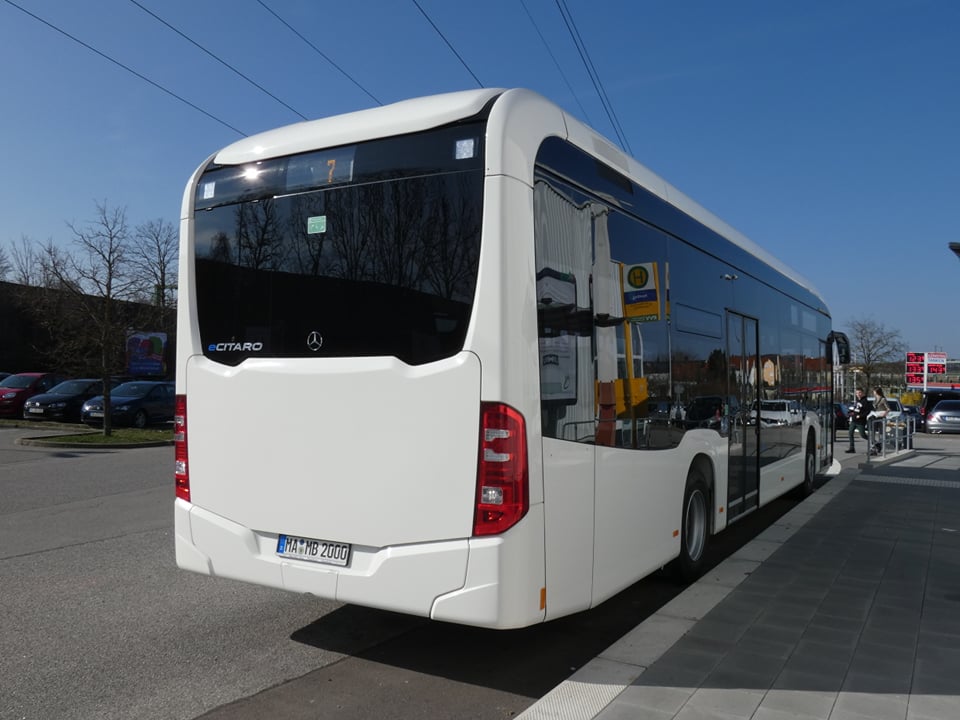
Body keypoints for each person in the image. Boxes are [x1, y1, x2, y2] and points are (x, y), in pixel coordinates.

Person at [845, 387, 873, 453]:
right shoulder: (857, 401)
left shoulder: (865, 401)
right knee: (850, 433)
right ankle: (852, 448)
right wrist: (851, 413)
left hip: (860, 421)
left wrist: (860, 416)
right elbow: (856, 409)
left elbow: (867, 411)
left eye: (860, 393)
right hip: (854, 420)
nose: (858, 394)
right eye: (857, 393)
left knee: (862, 435)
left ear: (862, 393)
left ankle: (874, 443)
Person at [869, 386, 890, 454]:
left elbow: (888, 409)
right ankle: (873, 447)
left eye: (874, 391)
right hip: (875, 417)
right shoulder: (874, 399)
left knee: (881, 433)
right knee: (873, 432)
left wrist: (884, 414)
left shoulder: (883, 399)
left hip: (881, 417)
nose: (873, 392)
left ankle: (879, 446)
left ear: (877, 392)